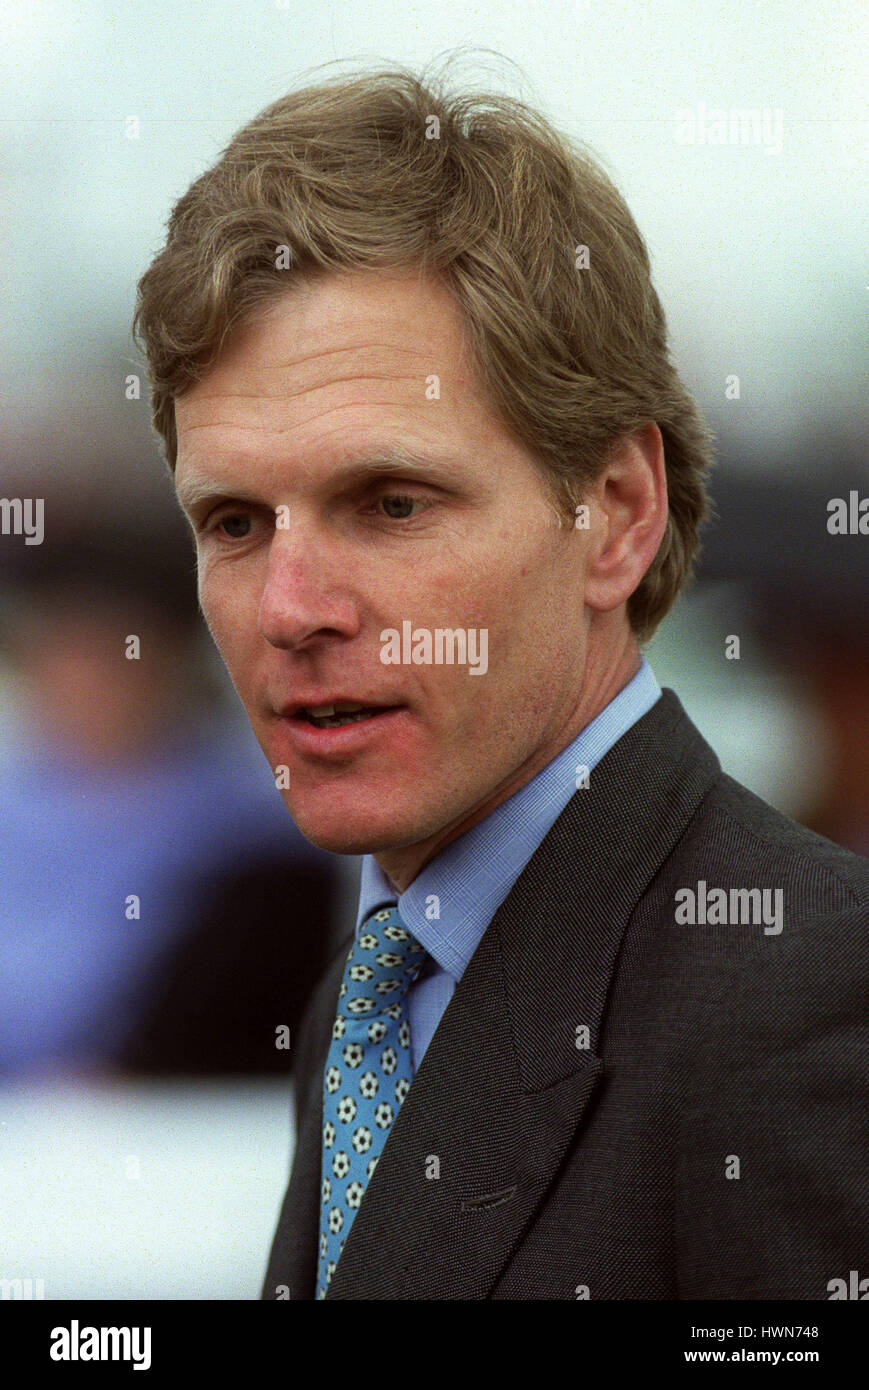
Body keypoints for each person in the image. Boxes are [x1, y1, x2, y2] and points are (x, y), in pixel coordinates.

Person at [132, 63, 869, 1300]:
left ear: (617, 514)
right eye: (234, 521)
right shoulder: (374, 997)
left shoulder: (807, 1008)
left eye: (392, 502)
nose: (292, 609)